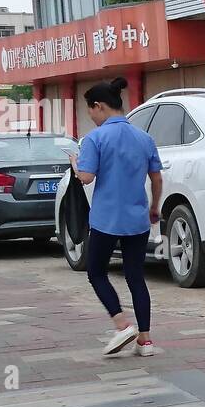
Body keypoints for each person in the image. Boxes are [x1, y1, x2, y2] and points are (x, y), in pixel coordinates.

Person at [69, 77, 162, 357]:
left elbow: (86, 178)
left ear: (98, 106)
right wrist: (154, 207)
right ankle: (145, 341)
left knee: (96, 272)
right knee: (136, 277)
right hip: (137, 217)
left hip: (106, 220)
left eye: (90, 111)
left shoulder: (95, 138)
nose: (92, 117)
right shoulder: (144, 138)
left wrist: (75, 164)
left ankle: (121, 324)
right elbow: (156, 178)